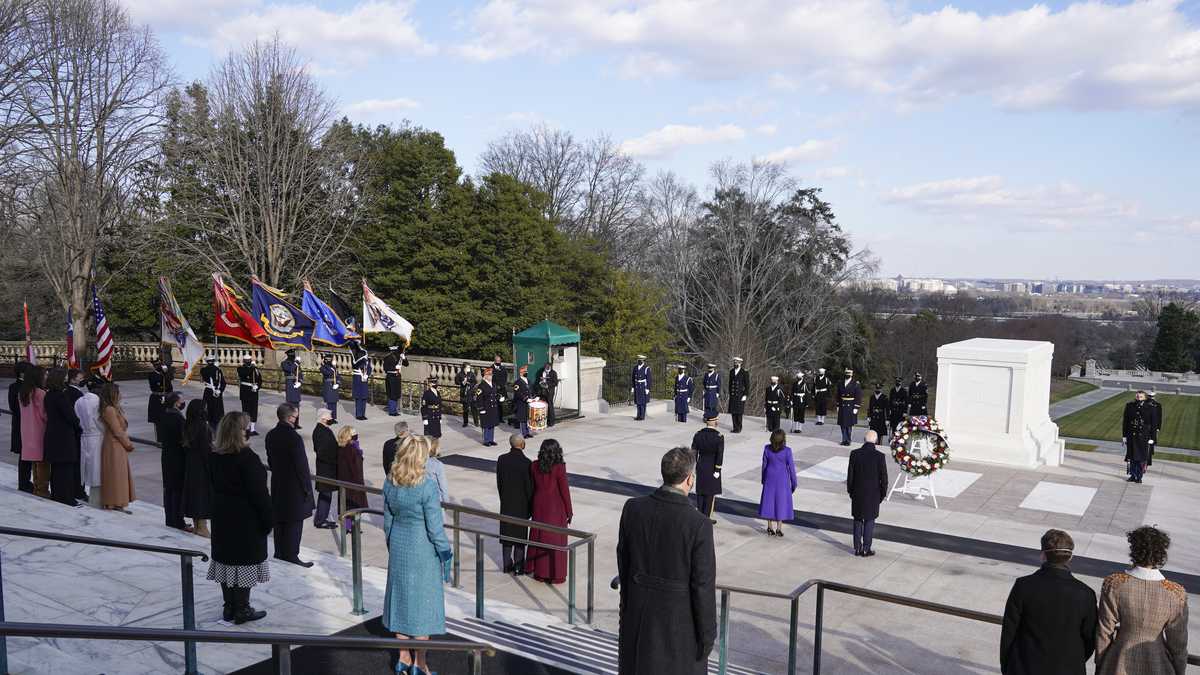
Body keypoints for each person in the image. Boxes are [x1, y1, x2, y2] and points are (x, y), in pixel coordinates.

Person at [617, 446, 716, 674]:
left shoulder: (633, 509)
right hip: (679, 629)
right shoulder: (698, 524)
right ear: (689, 479)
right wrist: (708, 636)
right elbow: (703, 586)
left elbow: (624, 563)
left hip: (639, 622)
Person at [382, 434, 452, 675]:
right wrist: (445, 551)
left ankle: (403, 657)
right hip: (422, 549)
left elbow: (388, 521)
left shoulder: (390, 480)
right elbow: (435, 528)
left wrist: (392, 545)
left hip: (399, 545)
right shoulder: (427, 486)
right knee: (424, 605)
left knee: (400, 601)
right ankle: (420, 663)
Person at [999, 529, 1098, 675]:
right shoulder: (1086, 593)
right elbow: (1090, 638)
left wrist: (1007, 666)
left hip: (1025, 666)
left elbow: (1009, 631)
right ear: (1070, 557)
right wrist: (1073, 661)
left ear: (1043, 555)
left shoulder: (1023, 585)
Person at [206, 412, 272, 624]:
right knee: (243, 566)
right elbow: (260, 495)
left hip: (223, 518)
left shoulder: (215, 456)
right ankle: (242, 608)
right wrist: (268, 520)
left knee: (226, 563)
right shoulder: (248, 459)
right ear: (240, 432)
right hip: (245, 521)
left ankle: (229, 607)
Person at [1095, 526, 1188, 675]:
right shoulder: (1175, 593)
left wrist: (1100, 662)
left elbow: (1104, 630)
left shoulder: (1114, 584)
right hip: (1158, 663)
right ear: (1161, 554)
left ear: (1134, 550)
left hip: (1117, 660)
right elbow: (1178, 643)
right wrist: (1179, 670)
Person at [266, 403, 315, 568]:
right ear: (290, 418)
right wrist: (307, 489)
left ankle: (280, 551)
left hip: (278, 482)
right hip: (294, 486)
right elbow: (301, 466)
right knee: (294, 522)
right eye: (295, 416)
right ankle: (291, 554)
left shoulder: (271, 435)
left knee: (280, 519)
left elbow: (271, 461)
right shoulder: (293, 437)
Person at [526, 439, 573, 583]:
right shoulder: (559, 467)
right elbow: (564, 491)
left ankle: (540, 571)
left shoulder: (534, 465)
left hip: (539, 505)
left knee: (540, 538)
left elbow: (531, 487)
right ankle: (555, 574)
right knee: (555, 540)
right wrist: (569, 511)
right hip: (556, 507)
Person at [43, 368, 83, 507]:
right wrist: (78, 424)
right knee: (66, 468)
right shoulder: (60, 396)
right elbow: (71, 417)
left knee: (57, 468)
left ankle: (56, 494)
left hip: (53, 434)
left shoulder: (49, 395)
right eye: (65, 377)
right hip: (64, 436)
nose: (66, 378)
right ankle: (67, 497)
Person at [496, 433, 534, 575]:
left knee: (507, 535)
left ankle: (506, 564)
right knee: (520, 536)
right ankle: (519, 566)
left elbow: (499, 482)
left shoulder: (502, 459)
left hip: (506, 502)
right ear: (522, 444)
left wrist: (503, 498)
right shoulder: (526, 463)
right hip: (521, 505)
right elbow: (529, 488)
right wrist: (530, 507)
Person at [846, 430, 887, 556]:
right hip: (873, 494)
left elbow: (850, 476)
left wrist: (851, 492)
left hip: (857, 493)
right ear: (875, 441)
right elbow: (884, 479)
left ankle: (857, 548)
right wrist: (882, 495)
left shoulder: (854, 454)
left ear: (864, 440)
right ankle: (866, 548)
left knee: (858, 520)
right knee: (869, 520)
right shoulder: (880, 456)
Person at [99, 383, 136, 512]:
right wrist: (128, 444)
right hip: (114, 445)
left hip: (117, 445)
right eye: (118, 392)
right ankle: (113, 502)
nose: (120, 395)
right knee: (115, 475)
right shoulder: (109, 409)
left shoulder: (114, 408)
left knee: (119, 474)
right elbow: (117, 430)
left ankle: (118, 502)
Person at [182, 399, 214, 537]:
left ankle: (197, 525)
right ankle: (202, 527)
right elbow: (205, 450)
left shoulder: (188, 424)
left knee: (195, 495)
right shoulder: (202, 427)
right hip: (201, 465)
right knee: (201, 495)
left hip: (191, 464)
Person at [158, 392, 189, 529]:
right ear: (177, 403)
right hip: (177, 457)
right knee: (177, 489)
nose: (183, 403)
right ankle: (178, 521)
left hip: (166, 455)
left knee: (169, 488)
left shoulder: (163, 415)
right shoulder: (178, 418)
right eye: (182, 401)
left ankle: (170, 519)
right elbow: (183, 439)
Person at [758, 429, 796, 537]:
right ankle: (779, 528)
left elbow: (764, 465)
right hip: (782, 479)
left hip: (769, 478)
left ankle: (770, 527)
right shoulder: (787, 451)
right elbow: (792, 469)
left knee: (769, 502)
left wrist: (763, 479)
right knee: (781, 502)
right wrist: (794, 483)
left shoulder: (767, 448)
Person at [18, 365, 49, 496]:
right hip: (39, 430)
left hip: (26, 430)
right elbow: (44, 414)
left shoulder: (23, 392)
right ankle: (41, 489)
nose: (46, 377)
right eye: (45, 375)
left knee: (35, 461)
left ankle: (36, 486)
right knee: (42, 462)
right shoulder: (39, 393)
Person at [74, 373, 103, 506]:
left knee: (86, 468)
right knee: (96, 470)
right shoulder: (97, 401)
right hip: (96, 437)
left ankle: (87, 494)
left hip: (84, 437)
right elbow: (99, 421)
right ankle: (95, 499)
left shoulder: (79, 400)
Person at [691, 413, 723, 522]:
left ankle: (700, 516)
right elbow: (719, 455)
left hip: (701, 465)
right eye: (716, 419)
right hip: (713, 467)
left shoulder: (698, 435)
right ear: (713, 421)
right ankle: (706, 518)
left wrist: (694, 466)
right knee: (710, 493)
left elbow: (694, 452)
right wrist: (718, 469)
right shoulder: (719, 436)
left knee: (700, 491)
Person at [336, 425, 367, 532]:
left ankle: (347, 527)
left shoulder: (341, 448)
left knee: (347, 505)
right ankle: (353, 527)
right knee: (354, 506)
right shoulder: (351, 450)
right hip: (354, 481)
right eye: (353, 433)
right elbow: (356, 467)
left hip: (344, 480)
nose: (356, 435)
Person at [312, 409, 339, 529]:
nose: (331, 418)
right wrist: (335, 458)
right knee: (325, 494)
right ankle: (320, 520)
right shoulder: (320, 432)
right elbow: (322, 452)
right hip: (325, 469)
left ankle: (322, 517)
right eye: (329, 416)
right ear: (323, 418)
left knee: (326, 494)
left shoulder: (323, 430)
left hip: (328, 468)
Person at [1123, 391, 1155, 483]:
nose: (1138, 397)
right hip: (1132, 435)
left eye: (1141, 396)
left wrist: (1152, 438)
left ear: (1145, 397)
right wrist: (1124, 436)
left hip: (1143, 436)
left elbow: (1153, 424)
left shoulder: (1150, 408)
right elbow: (1125, 422)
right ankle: (1133, 475)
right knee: (1132, 457)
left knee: (1140, 458)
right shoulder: (1130, 406)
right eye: (1137, 396)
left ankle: (1139, 476)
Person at [9, 361, 28, 491]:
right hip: (22, 423)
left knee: (26, 455)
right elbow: (14, 407)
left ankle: (25, 481)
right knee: (24, 454)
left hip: (23, 423)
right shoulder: (16, 387)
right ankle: (23, 482)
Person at [836, 367, 863, 446]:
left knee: (849, 424)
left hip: (850, 405)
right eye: (846, 374)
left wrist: (856, 407)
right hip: (842, 405)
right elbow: (838, 395)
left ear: (851, 375)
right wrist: (838, 405)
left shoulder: (855, 384)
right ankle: (844, 439)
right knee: (842, 424)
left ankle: (848, 440)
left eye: (849, 374)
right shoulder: (841, 383)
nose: (847, 375)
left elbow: (858, 396)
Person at [237, 355, 263, 435]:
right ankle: (246, 428)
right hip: (245, 391)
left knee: (254, 410)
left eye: (249, 360)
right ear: (244, 361)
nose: (248, 361)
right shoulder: (240, 368)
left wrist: (257, 386)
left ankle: (252, 429)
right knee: (246, 410)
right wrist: (252, 367)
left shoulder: (255, 369)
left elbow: (259, 379)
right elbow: (244, 374)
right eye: (247, 360)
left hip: (253, 392)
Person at [475, 367, 500, 447]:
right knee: (486, 424)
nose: (491, 376)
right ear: (485, 376)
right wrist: (481, 408)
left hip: (493, 408)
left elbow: (495, 395)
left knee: (492, 424)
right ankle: (486, 440)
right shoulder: (481, 386)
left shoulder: (493, 384)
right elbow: (479, 399)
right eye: (489, 375)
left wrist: (499, 398)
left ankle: (491, 439)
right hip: (486, 408)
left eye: (491, 375)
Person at [382, 345, 408, 417]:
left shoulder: (400, 357)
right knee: (392, 394)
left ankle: (394, 410)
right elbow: (385, 368)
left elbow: (406, 364)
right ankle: (392, 411)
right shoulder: (387, 358)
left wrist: (404, 358)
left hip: (397, 377)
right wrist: (394, 367)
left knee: (396, 394)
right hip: (391, 377)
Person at [201, 357, 226, 428]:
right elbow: (223, 382)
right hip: (216, 392)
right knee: (217, 411)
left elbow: (206, 372)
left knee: (208, 410)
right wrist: (220, 390)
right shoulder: (217, 370)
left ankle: (209, 427)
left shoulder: (203, 370)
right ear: (213, 361)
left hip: (208, 391)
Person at [350, 339, 371, 421]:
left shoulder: (366, 359)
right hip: (358, 377)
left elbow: (369, 368)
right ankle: (359, 415)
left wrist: (367, 374)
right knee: (359, 396)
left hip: (364, 378)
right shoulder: (355, 358)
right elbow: (355, 366)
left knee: (364, 396)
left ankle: (363, 414)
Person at [281, 349, 303, 427]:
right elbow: (290, 369)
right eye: (292, 354)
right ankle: (290, 423)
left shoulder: (296, 364)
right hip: (290, 384)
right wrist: (296, 363)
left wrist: (300, 381)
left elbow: (300, 373)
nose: (293, 356)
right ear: (288, 355)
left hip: (296, 384)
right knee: (290, 404)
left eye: (294, 354)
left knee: (297, 404)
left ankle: (296, 423)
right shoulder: (284, 363)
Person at [728, 357, 750, 433]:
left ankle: (739, 428)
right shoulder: (731, 371)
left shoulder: (744, 372)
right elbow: (730, 384)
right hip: (733, 395)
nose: (735, 363)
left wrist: (745, 395)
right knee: (733, 412)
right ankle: (735, 427)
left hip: (740, 395)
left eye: (736, 362)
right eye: (734, 362)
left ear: (740, 363)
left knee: (739, 412)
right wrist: (730, 393)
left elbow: (747, 385)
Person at [535, 358, 559, 427]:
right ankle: (544, 420)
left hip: (550, 391)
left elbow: (555, 383)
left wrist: (548, 385)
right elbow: (538, 379)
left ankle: (551, 421)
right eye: (545, 367)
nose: (546, 368)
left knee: (550, 406)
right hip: (543, 391)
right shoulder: (542, 372)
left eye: (547, 367)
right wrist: (540, 383)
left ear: (550, 367)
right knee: (544, 406)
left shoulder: (553, 373)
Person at [454, 363, 477, 427]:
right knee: (465, 409)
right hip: (464, 393)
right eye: (467, 367)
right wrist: (463, 382)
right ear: (464, 368)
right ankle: (465, 422)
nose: (469, 369)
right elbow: (456, 381)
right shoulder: (460, 374)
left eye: (469, 367)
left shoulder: (471, 374)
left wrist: (470, 384)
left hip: (471, 393)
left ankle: (476, 422)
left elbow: (475, 381)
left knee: (474, 408)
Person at [425, 437, 448, 503]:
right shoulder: (437, 465)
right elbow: (443, 486)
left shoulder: (417, 461)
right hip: (435, 499)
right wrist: (446, 502)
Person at [320, 353, 340, 424]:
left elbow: (338, 375)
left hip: (334, 385)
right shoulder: (323, 367)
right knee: (329, 403)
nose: (329, 361)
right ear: (324, 360)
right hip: (328, 385)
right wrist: (333, 368)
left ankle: (333, 418)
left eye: (330, 359)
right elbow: (327, 373)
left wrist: (338, 383)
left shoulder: (334, 367)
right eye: (327, 359)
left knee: (334, 402)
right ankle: (329, 418)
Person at [147, 354, 167, 427]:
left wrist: (165, 368)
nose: (159, 366)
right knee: (156, 419)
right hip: (156, 397)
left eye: (159, 365)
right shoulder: (152, 375)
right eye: (157, 365)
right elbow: (156, 382)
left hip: (164, 396)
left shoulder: (164, 374)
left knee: (165, 418)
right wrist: (163, 373)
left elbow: (169, 376)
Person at [513, 365, 532, 438]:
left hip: (528, 402)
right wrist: (525, 399)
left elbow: (531, 390)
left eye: (526, 371)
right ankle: (524, 433)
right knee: (522, 419)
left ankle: (527, 432)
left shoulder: (528, 381)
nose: (526, 372)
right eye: (524, 371)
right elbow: (518, 393)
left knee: (527, 418)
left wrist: (533, 397)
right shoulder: (517, 382)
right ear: (520, 373)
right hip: (521, 403)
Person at [631, 355, 651, 421]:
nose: (639, 361)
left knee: (642, 402)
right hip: (637, 386)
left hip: (643, 386)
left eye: (641, 360)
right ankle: (638, 415)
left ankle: (642, 416)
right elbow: (633, 378)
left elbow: (649, 379)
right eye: (638, 360)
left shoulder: (646, 368)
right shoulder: (635, 368)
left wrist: (647, 388)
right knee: (637, 402)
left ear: (643, 361)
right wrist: (633, 387)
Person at [492, 355, 510, 427]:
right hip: (494, 389)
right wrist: (496, 386)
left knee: (500, 404)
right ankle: (495, 419)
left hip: (501, 389)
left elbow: (505, 378)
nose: (498, 362)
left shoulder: (503, 368)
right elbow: (490, 379)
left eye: (499, 361)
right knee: (494, 404)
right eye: (497, 361)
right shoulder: (491, 368)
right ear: (494, 361)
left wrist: (501, 385)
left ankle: (500, 418)